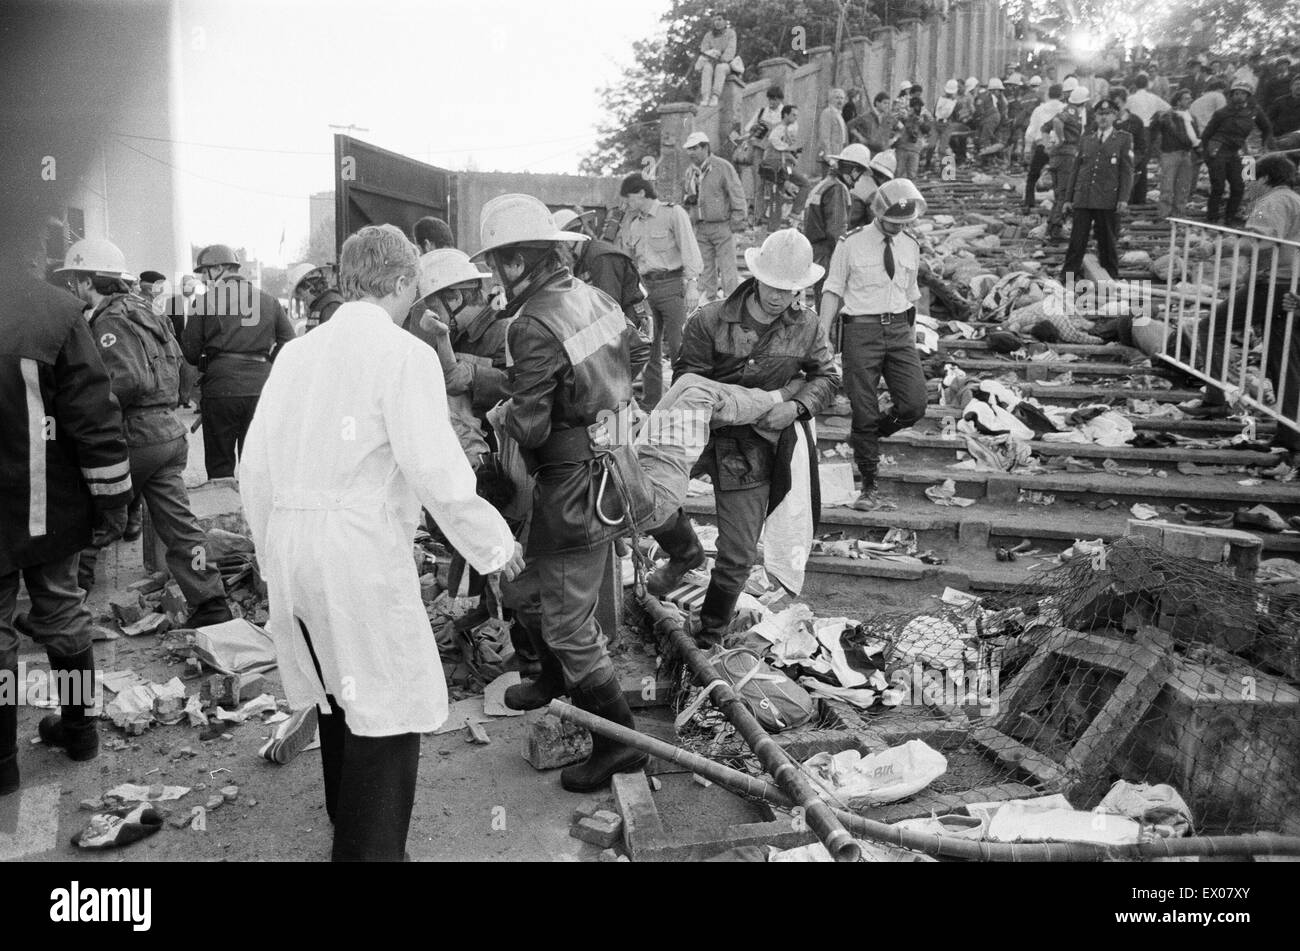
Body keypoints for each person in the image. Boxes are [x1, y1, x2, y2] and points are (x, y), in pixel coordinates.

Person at [239, 224, 522, 861]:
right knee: (388, 704)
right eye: (413, 289)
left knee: (340, 691)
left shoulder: (297, 354)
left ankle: (348, 821)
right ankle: (370, 853)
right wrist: (495, 546)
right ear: (400, 283)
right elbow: (436, 469)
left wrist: (269, 554)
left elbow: (252, 467)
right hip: (355, 546)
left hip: (291, 539)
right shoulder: (404, 355)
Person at [471, 194, 651, 792]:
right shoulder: (594, 296)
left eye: (499, 263)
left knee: (573, 627)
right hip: (605, 468)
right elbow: (637, 357)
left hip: (574, 486)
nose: (496, 276)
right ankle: (551, 678)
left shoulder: (531, 324)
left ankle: (618, 746)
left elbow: (532, 426)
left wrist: (502, 410)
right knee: (522, 587)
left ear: (518, 262)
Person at [648, 229, 838, 645]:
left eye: (790, 290)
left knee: (738, 554)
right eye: (772, 285)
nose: (778, 297)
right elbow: (685, 379)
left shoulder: (806, 327)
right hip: (698, 430)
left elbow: (827, 376)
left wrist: (796, 405)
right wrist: (724, 403)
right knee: (647, 496)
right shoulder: (709, 318)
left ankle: (710, 632)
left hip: (754, 444)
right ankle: (685, 552)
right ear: (756, 277)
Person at [2, 240, 134, 796]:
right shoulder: (56, 311)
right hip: (46, 508)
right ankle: (80, 732)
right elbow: (93, 418)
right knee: (61, 610)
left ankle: (2, 766)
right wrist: (114, 501)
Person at [59, 237, 234, 628]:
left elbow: (127, 380)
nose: (74, 289)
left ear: (90, 280)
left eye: (76, 281)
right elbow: (183, 368)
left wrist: (83, 413)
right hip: (168, 433)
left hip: (136, 435)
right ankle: (211, 604)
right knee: (180, 526)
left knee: (85, 513)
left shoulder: (110, 320)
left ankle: (64, 613)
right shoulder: (146, 310)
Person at [818, 179, 928, 513]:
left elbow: (912, 294)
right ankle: (869, 485)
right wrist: (822, 334)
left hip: (898, 331)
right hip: (860, 332)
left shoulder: (910, 244)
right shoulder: (851, 243)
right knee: (863, 410)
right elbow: (833, 289)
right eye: (894, 222)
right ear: (879, 214)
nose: (899, 227)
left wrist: (917, 330)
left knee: (914, 405)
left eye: (904, 223)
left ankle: (866, 436)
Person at [1185, 155, 1300, 457]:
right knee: (1283, 359)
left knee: (1210, 328)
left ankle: (1218, 398)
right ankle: (1288, 434)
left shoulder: (1271, 202)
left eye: (1252, 177)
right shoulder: (1294, 200)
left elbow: (1257, 242)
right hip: (1290, 285)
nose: (1247, 184)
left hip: (1271, 284)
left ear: (1264, 179)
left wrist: (1213, 248)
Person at [181, 244, 295, 479]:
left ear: (220, 268)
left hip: (220, 389)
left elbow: (190, 352)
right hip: (261, 388)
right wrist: (265, 363)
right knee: (256, 465)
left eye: (205, 272)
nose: (203, 279)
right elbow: (289, 343)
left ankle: (225, 513)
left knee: (220, 465)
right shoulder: (269, 300)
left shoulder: (205, 301)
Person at [410, 248, 506, 465]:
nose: (432, 314)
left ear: (456, 298)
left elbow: (516, 389)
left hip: (494, 462)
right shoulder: (460, 336)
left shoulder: (504, 331)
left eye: (435, 306)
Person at [617, 172, 702, 408]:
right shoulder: (634, 224)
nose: (627, 204)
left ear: (642, 193)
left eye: (629, 198)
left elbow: (689, 248)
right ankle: (652, 403)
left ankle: (682, 403)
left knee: (679, 348)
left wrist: (692, 283)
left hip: (672, 286)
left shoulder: (673, 213)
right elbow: (632, 262)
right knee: (648, 349)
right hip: (646, 289)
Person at [1060, 98, 1134, 282]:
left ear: (1115, 116)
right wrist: (1068, 199)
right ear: (1095, 116)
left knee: (1107, 242)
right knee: (1076, 243)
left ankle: (1111, 278)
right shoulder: (1087, 140)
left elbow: (1127, 171)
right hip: (1084, 198)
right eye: (1100, 114)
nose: (1103, 118)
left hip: (1107, 199)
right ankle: (1067, 278)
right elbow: (1076, 171)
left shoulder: (1123, 139)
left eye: (1107, 114)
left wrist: (1123, 199)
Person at [682, 130, 746, 300]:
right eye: (689, 149)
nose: (691, 153)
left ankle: (731, 306)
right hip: (701, 228)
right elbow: (687, 199)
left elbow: (736, 193)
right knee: (704, 270)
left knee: (728, 270)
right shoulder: (690, 172)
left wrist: (737, 222)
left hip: (722, 225)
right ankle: (707, 307)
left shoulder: (722, 166)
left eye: (694, 148)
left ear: (705, 148)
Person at [804, 143, 870, 304]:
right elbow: (837, 231)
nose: (858, 180)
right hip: (828, 257)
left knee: (823, 304)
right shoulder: (838, 189)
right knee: (833, 308)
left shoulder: (825, 184)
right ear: (854, 170)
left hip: (817, 254)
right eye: (859, 175)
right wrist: (849, 262)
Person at [1201, 81, 1274, 225]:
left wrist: (1264, 145)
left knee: (1238, 186)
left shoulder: (1254, 111)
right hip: (1219, 150)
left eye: (1242, 93)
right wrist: (1207, 155)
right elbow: (1206, 135)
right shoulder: (1222, 113)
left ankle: (1230, 217)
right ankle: (1212, 218)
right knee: (1218, 186)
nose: (1239, 96)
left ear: (1248, 96)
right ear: (1231, 95)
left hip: (1236, 151)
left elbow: (1266, 128)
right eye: (1236, 93)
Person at [1046, 86, 1090, 241]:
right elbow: (1058, 121)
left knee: (1059, 193)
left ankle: (1052, 226)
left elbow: (1045, 127)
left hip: (1057, 156)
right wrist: (1062, 139)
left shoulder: (1068, 110)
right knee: (1064, 193)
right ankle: (1056, 228)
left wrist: (1051, 144)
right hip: (1066, 156)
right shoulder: (1072, 111)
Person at [1154, 90, 1202, 220]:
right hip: (1170, 153)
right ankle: (1164, 215)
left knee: (1183, 186)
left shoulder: (1191, 118)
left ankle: (1179, 214)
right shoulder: (1168, 116)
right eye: (1186, 98)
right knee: (1167, 186)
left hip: (1186, 153)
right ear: (1178, 101)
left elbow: (1196, 136)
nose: (1189, 100)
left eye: (1190, 98)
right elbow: (1158, 133)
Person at [1024, 83, 1065, 212]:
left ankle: (1029, 203)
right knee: (1060, 177)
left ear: (1048, 94)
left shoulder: (1039, 110)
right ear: (1062, 95)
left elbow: (1031, 130)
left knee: (1032, 176)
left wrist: (1027, 148)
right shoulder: (1065, 109)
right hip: (1059, 147)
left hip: (1042, 145)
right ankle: (1060, 204)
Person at [1110, 88, 1150, 204]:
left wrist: (1134, 161)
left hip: (1134, 163)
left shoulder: (1136, 121)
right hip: (1114, 164)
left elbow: (1141, 146)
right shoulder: (1109, 122)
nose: (1115, 108)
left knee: (1135, 196)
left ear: (1124, 102)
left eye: (1117, 104)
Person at [695, 13, 736, 107]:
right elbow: (704, 51)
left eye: (720, 19)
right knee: (707, 68)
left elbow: (731, 50)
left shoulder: (731, 33)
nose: (717, 22)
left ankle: (715, 96)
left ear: (725, 22)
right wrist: (712, 54)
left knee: (720, 68)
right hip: (711, 61)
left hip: (725, 64)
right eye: (715, 20)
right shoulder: (708, 36)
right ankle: (705, 97)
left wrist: (721, 59)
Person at [288, 263, 343, 333]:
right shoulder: (320, 305)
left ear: (309, 287)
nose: (301, 298)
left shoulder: (331, 306)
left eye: (300, 293)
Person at [893, 96, 931, 181]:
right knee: (899, 173)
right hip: (902, 148)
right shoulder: (903, 115)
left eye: (919, 107)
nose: (917, 109)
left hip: (915, 150)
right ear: (910, 107)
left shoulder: (923, 117)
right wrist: (905, 118)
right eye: (915, 106)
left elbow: (928, 130)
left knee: (912, 175)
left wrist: (921, 123)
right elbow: (894, 125)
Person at [1266, 74, 1300, 146]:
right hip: (1279, 137)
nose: (1299, 87)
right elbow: (1267, 120)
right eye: (1297, 84)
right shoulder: (1279, 101)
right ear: (1291, 87)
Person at [818, 88, 849, 167]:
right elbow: (824, 137)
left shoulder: (839, 114)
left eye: (842, 98)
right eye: (837, 98)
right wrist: (829, 159)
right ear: (831, 99)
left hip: (839, 154)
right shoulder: (827, 113)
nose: (840, 100)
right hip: (830, 157)